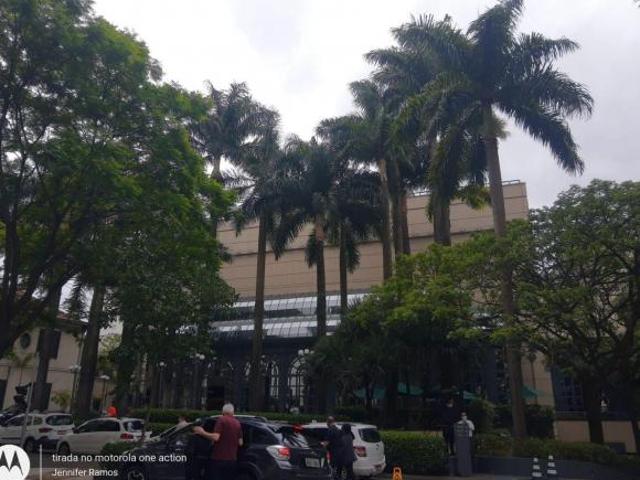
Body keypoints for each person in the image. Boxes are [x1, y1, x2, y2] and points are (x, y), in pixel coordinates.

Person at [194, 403, 243, 480]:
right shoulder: (237, 423)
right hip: (232, 460)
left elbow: (216, 437)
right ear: (233, 412)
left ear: (223, 412)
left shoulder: (221, 420)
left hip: (219, 459)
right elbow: (240, 442)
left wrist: (202, 432)